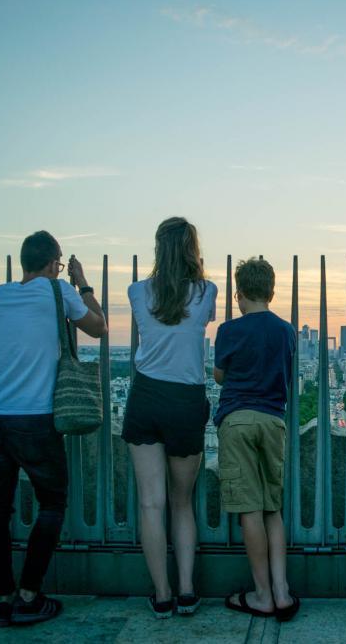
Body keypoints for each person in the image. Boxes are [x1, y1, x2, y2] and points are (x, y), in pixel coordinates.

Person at [0, 231, 106, 626]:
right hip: (34, 417)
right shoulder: (58, 291)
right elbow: (98, 327)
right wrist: (81, 283)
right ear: (54, 264)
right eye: (60, 264)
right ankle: (30, 593)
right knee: (51, 503)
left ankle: (3, 593)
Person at [122, 217, 217, 618]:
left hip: (146, 395)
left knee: (150, 503)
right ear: (192, 248)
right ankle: (187, 591)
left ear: (158, 248)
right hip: (185, 399)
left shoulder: (137, 291)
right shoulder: (207, 291)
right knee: (182, 502)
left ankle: (161, 594)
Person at [212, 258, 299, 621]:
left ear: (239, 294)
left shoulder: (229, 331)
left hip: (237, 420)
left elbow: (219, 376)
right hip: (273, 420)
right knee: (272, 507)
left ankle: (261, 594)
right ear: (272, 291)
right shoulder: (287, 331)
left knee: (249, 508)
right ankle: (282, 591)